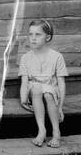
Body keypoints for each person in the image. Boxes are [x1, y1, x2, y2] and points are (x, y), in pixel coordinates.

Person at [19, 18, 67, 147]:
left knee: (47, 93)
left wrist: (61, 107)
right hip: (34, 90)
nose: (33, 38)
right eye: (30, 34)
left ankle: (56, 132)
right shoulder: (25, 58)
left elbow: (61, 84)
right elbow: (24, 81)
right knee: (36, 88)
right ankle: (42, 130)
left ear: (47, 37)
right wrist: (23, 98)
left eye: (38, 34)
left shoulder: (57, 57)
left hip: (51, 91)